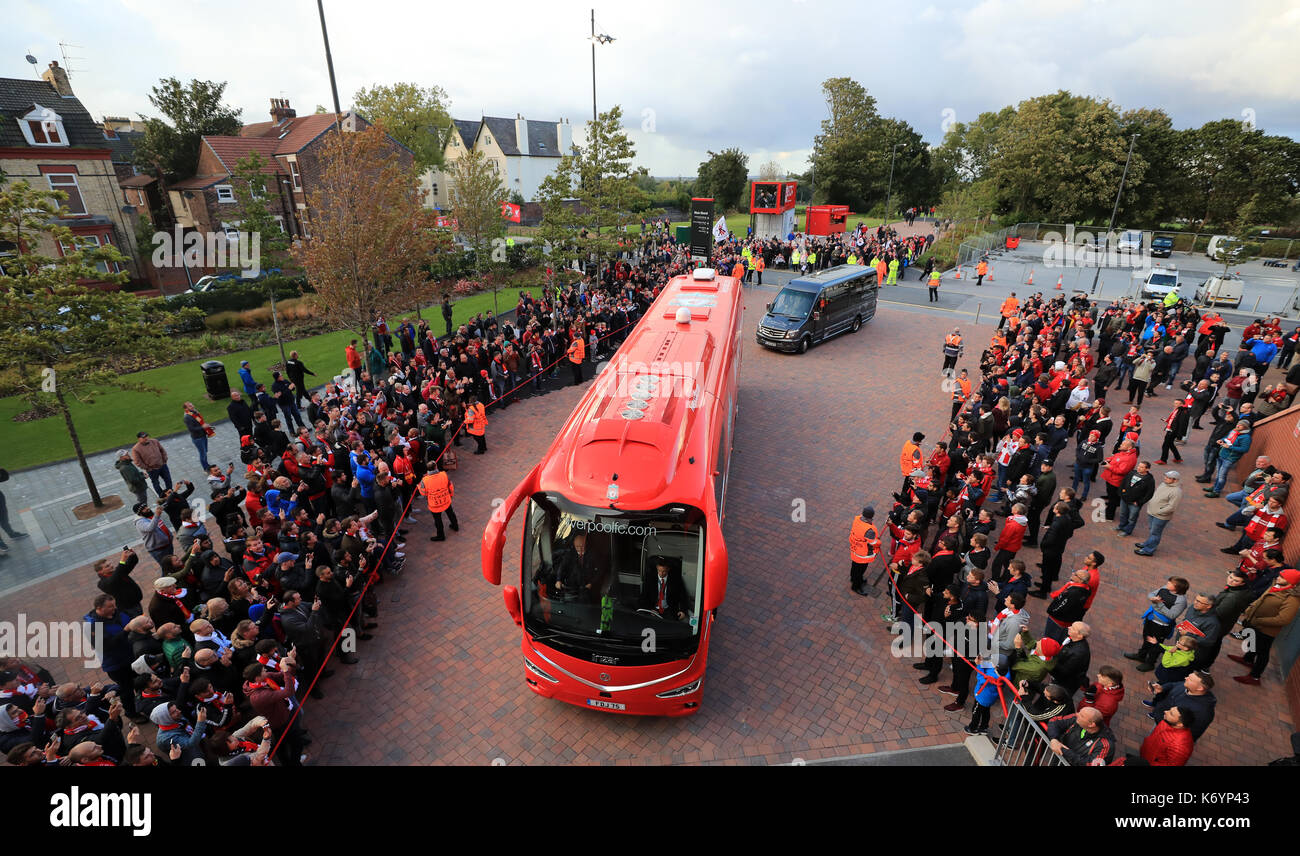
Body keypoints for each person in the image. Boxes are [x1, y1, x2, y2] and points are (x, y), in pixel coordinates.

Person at [1229, 569, 1300, 685]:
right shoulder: (1276, 586)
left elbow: (1284, 619)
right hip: (1256, 623)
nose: (1278, 577)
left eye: (1282, 577)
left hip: (1267, 629)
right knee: (1253, 641)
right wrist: (1249, 610)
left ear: (1291, 582)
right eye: (1279, 575)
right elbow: (1261, 600)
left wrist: (1260, 621)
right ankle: (1248, 659)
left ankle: (1255, 677)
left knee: (1263, 652)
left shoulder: (1292, 599)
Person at [1125, 576, 1188, 670]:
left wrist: (1159, 603)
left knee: (1155, 643)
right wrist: (1153, 598)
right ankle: (1141, 655)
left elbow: (1172, 615)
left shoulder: (1181, 601)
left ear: (1178, 588)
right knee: (1146, 637)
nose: (1168, 583)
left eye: (1171, 583)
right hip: (1150, 618)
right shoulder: (1165, 588)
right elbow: (1151, 594)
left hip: (1161, 625)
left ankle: (1150, 663)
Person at [1147, 671, 1217, 742]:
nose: (1185, 678)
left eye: (1190, 679)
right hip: (1160, 722)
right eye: (1188, 676)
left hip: (1167, 736)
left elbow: (1193, 733)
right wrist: (1162, 688)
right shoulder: (1187, 686)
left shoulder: (1203, 712)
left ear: (1200, 688)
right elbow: (1173, 685)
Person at [1133, 470, 1182, 556]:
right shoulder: (1164, 484)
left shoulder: (1176, 492)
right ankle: (1148, 543)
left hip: (1160, 516)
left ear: (1175, 480)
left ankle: (1148, 550)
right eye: (1165, 476)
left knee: (1155, 533)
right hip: (1152, 512)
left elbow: (1172, 507)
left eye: (1168, 478)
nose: (1165, 478)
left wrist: (1159, 511)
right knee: (1152, 530)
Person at [1044, 707, 1116, 766]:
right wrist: (1054, 739)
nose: (1077, 714)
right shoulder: (1077, 719)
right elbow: (1054, 721)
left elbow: (1091, 764)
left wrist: (1062, 750)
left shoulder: (1106, 745)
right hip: (1059, 759)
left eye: (1082, 715)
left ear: (1091, 724)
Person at [1205, 419, 1253, 498]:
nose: (1237, 425)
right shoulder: (1234, 431)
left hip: (1229, 458)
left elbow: (1244, 449)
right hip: (1222, 454)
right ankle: (1215, 487)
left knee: (1222, 475)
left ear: (1245, 427)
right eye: (1238, 424)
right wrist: (1222, 440)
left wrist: (1230, 447)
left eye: (1240, 425)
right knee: (1218, 474)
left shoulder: (1246, 437)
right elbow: (1227, 438)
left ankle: (1216, 491)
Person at [417, 461, 460, 542]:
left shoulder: (424, 480)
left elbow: (423, 493)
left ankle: (441, 535)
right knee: (451, 513)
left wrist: (419, 486)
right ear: (436, 467)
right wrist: (451, 495)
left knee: (438, 520)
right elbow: (450, 486)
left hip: (434, 505)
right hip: (446, 500)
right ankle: (455, 526)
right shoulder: (444, 475)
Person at [1114, 460, 1155, 537]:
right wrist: (1121, 494)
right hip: (1124, 499)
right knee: (1122, 514)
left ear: (1147, 469)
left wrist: (1139, 502)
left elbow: (1149, 494)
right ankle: (1121, 526)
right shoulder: (1131, 473)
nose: (1139, 468)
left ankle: (1127, 531)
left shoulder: (1149, 480)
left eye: (1142, 467)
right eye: (1139, 466)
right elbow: (1123, 482)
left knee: (1132, 518)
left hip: (1135, 503)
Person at [848, 506, 880, 596]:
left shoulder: (857, 520)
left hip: (855, 549)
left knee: (854, 566)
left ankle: (853, 579)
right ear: (871, 516)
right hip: (862, 554)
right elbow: (873, 542)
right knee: (860, 570)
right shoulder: (869, 530)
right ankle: (856, 586)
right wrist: (879, 541)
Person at [131, 431, 172, 497]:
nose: (146, 438)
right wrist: (148, 468)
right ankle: (162, 497)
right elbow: (137, 462)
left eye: (146, 436)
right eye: (143, 437)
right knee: (156, 483)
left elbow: (162, 450)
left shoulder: (155, 441)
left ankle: (171, 493)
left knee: (168, 479)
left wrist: (164, 460)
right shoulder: (135, 449)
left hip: (163, 465)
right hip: (152, 469)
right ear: (139, 439)